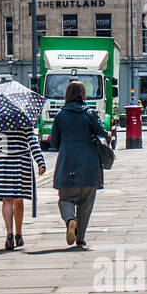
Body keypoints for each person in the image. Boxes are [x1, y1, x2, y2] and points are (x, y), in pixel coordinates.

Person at [49, 80, 109, 249]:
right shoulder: (90, 114)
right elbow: (103, 132)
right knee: (86, 203)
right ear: (83, 94)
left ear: (66, 95)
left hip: (67, 164)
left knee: (65, 199)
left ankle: (70, 220)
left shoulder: (60, 115)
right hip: (89, 166)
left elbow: (54, 142)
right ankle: (80, 238)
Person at [0, 119, 46, 251]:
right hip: (21, 162)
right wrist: (40, 162)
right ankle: (19, 235)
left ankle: (9, 234)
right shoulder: (24, 120)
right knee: (18, 200)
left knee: (7, 200)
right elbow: (33, 142)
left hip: (2, 162)